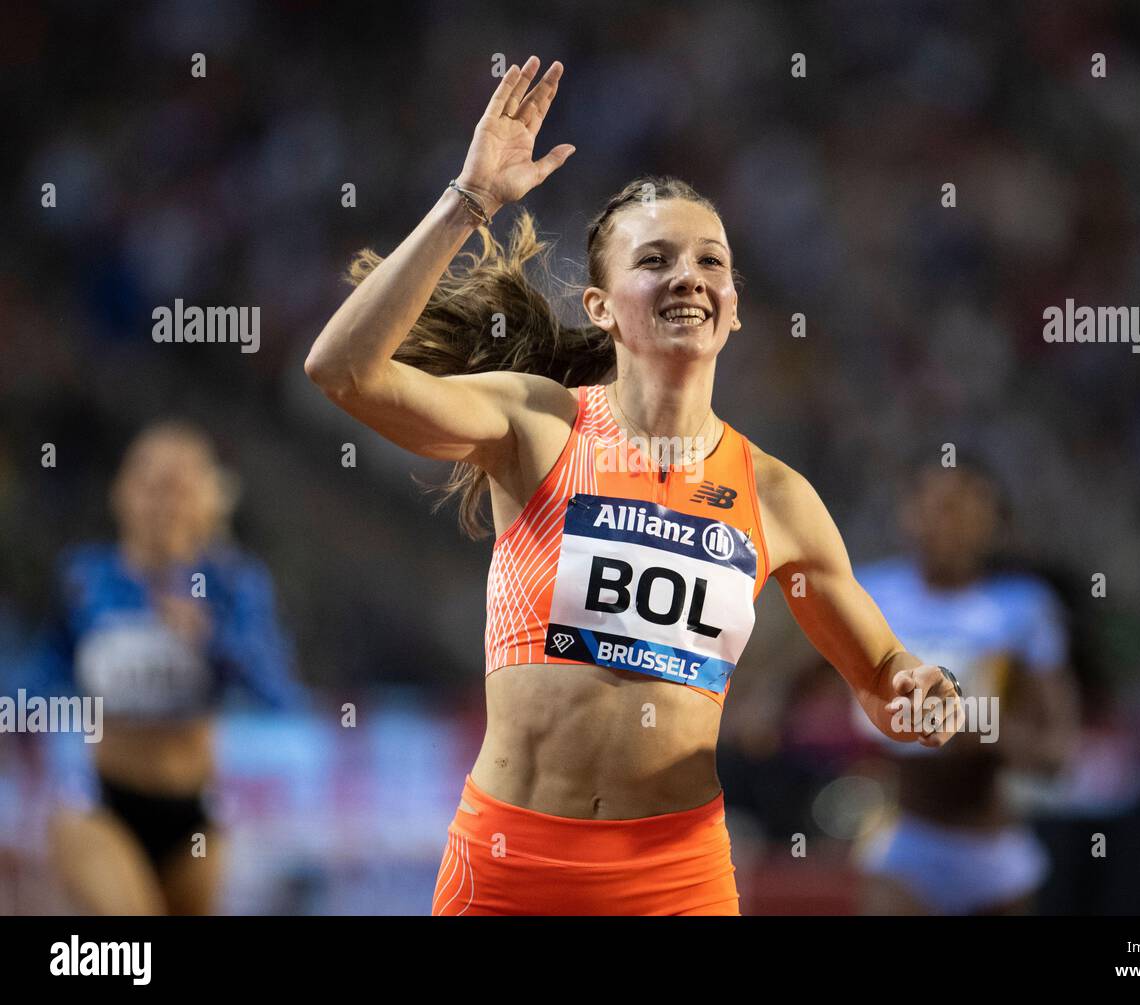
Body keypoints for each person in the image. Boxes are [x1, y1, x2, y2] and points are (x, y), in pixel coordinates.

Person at [304, 55, 975, 916]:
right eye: (654, 259)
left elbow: (883, 676)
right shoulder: (537, 423)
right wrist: (467, 200)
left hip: (673, 879)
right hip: (511, 863)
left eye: (710, 261)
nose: (688, 275)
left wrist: (930, 692)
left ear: (733, 306)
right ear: (599, 306)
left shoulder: (778, 497)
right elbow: (343, 372)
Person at [25, 421, 302, 914]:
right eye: (150, 485)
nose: (162, 503)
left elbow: (279, 694)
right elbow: (39, 676)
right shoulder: (85, 578)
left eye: (179, 488)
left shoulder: (233, 585)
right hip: (99, 805)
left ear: (208, 501)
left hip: (195, 816)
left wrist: (212, 638)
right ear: (122, 494)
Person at [849, 461, 1081, 915]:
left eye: (963, 511)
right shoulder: (872, 593)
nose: (946, 524)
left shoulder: (1023, 607)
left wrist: (980, 729)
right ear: (907, 515)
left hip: (993, 852)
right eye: (934, 508)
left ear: (993, 525)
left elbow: (1056, 752)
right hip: (907, 841)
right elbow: (790, 691)